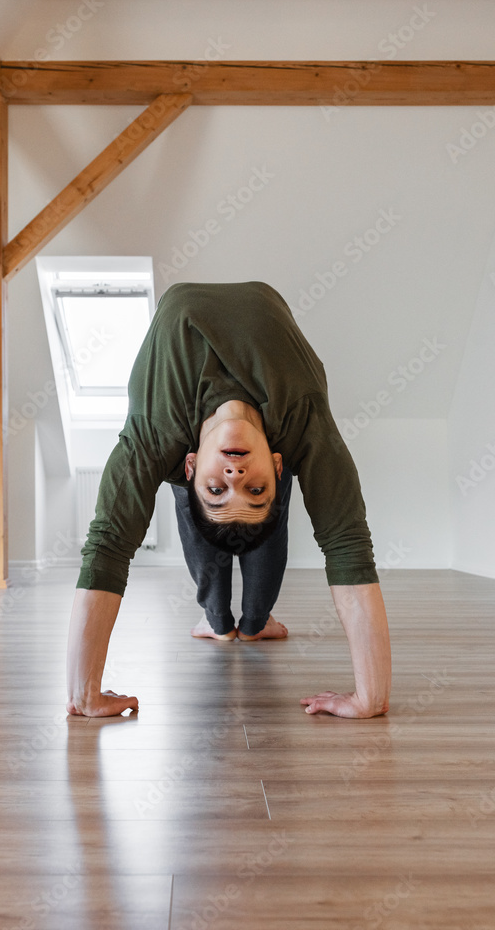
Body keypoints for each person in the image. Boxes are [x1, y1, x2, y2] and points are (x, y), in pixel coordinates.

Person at [66, 281, 391, 719]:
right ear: (278, 465)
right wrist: (371, 697)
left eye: (219, 489)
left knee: (215, 511)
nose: (235, 476)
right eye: (253, 489)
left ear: (188, 464)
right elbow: (348, 547)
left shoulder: (156, 435)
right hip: (260, 405)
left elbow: (106, 548)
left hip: (192, 443)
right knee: (232, 513)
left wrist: (84, 694)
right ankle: (234, 620)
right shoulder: (301, 421)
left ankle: (228, 621)